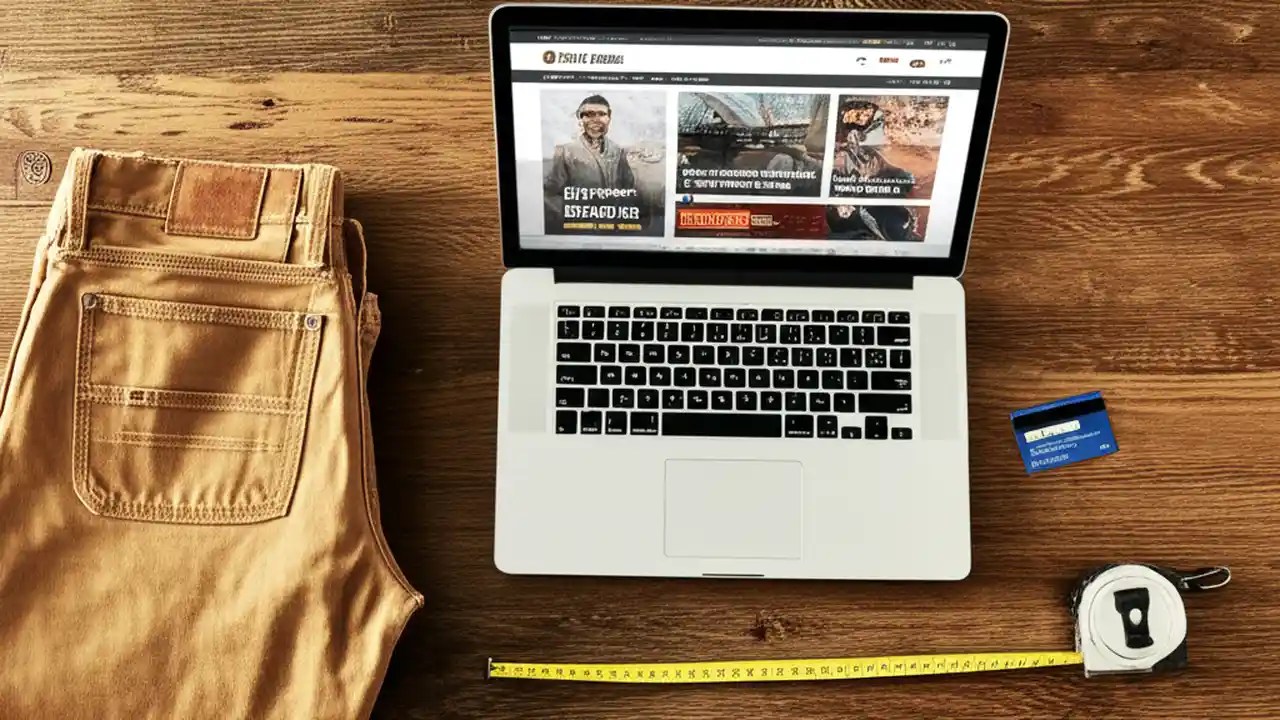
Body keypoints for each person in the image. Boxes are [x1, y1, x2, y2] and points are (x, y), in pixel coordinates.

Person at [544, 94, 638, 230]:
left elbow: (628, 187)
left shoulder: (617, 151)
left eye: (601, 114)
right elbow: (551, 194)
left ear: (609, 118)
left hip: (613, 229)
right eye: (589, 114)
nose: (596, 120)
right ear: (580, 119)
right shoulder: (566, 152)